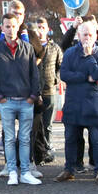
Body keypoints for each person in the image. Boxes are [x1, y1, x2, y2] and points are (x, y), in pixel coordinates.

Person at [0, 12, 40, 187]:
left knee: (25, 138)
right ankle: (12, 172)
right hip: (7, 101)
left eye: (13, 26)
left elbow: (34, 74)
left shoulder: (28, 48)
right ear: (2, 28)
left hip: (26, 101)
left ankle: (25, 172)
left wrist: (33, 96)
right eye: (7, 26)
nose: (10, 29)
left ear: (19, 27)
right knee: (9, 139)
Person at [57, 20, 98, 184]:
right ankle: (69, 169)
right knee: (70, 138)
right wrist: (85, 78)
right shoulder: (70, 53)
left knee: (97, 140)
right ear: (78, 36)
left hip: (93, 105)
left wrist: (88, 58)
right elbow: (64, 74)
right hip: (73, 104)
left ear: (96, 36)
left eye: (91, 35)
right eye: (84, 34)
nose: (87, 38)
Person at [31, 18, 61, 169]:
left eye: (43, 27)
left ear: (47, 29)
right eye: (38, 27)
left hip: (49, 91)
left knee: (48, 125)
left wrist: (56, 79)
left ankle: (47, 150)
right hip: (35, 92)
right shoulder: (31, 47)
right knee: (35, 124)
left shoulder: (54, 47)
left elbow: (60, 66)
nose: (40, 30)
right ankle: (37, 153)